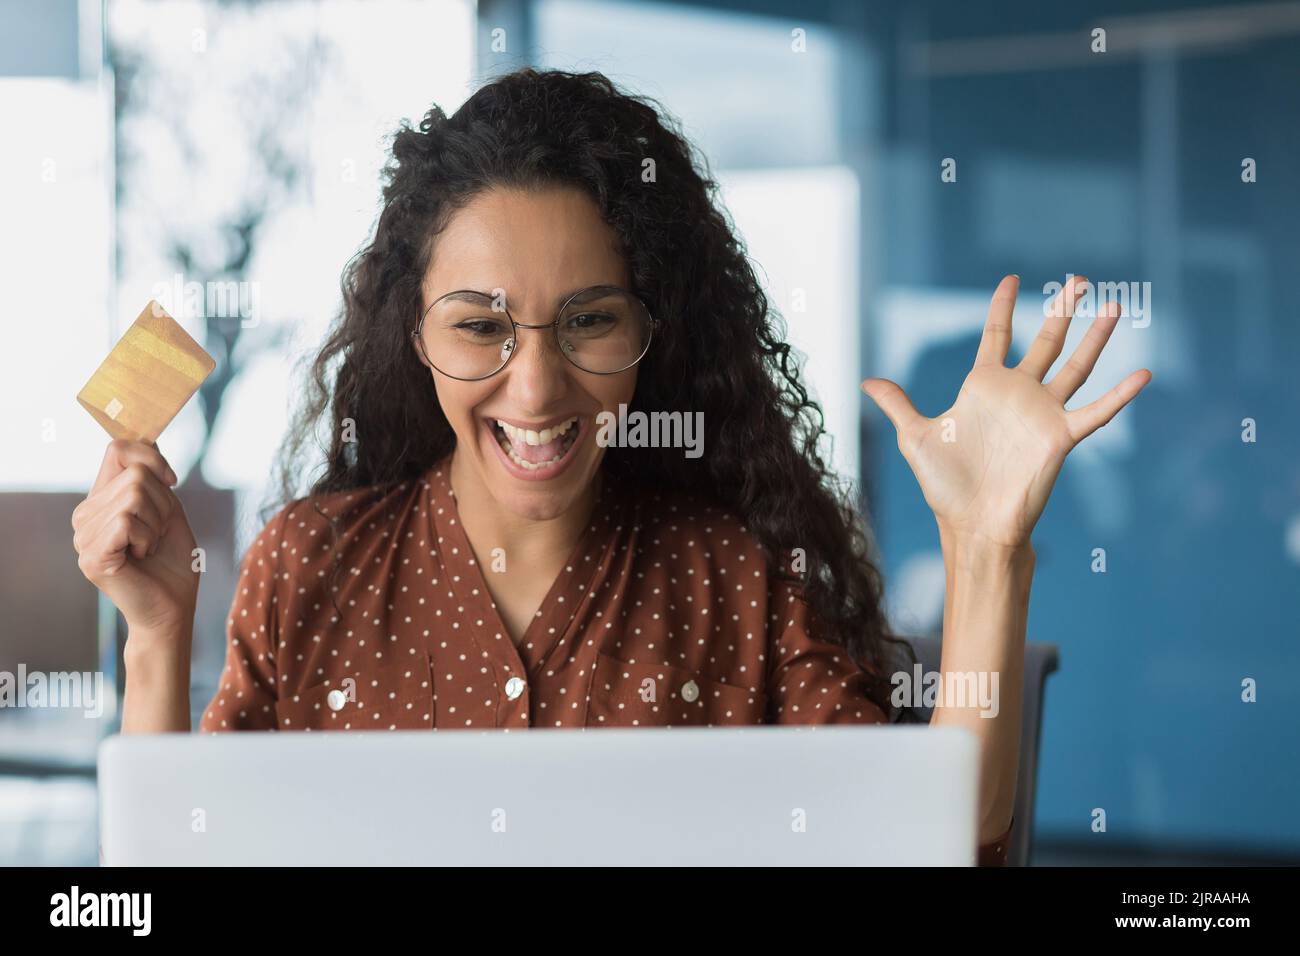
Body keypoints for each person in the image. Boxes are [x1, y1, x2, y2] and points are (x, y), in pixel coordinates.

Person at [71, 69, 1149, 865]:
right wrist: (160, 635)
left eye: (587, 321)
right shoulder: (308, 566)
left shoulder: (740, 578)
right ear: (413, 333)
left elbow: (934, 841)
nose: (535, 389)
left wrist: (984, 547)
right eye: (478, 325)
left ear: (650, 327)